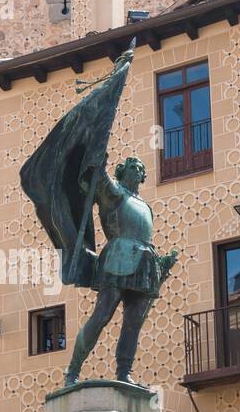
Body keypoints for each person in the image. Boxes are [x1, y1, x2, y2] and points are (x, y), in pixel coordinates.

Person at [64, 155, 178, 386]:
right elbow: (99, 175)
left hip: (145, 262)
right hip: (117, 257)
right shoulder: (114, 193)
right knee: (102, 315)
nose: (138, 171)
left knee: (133, 323)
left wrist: (163, 262)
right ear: (122, 172)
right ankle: (73, 371)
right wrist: (97, 157)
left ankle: (124, 372)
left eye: (141, 169)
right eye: (134, 167)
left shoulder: (145, 205)